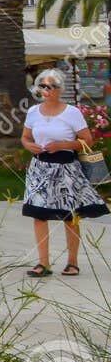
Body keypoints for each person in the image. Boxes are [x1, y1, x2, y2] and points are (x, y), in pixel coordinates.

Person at [21, 68, 108, 277]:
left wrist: (63, 144)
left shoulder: (71, 113)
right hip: (39, 168)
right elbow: (25, 136)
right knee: (38, 214)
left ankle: (72, 262)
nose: (45, 90)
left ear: (59, 89)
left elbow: (87, 140)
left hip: (66, 168)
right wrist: (28, 145)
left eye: (50, 86)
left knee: (69, 216)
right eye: (42, 86)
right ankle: (43, 263)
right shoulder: (33, 112)